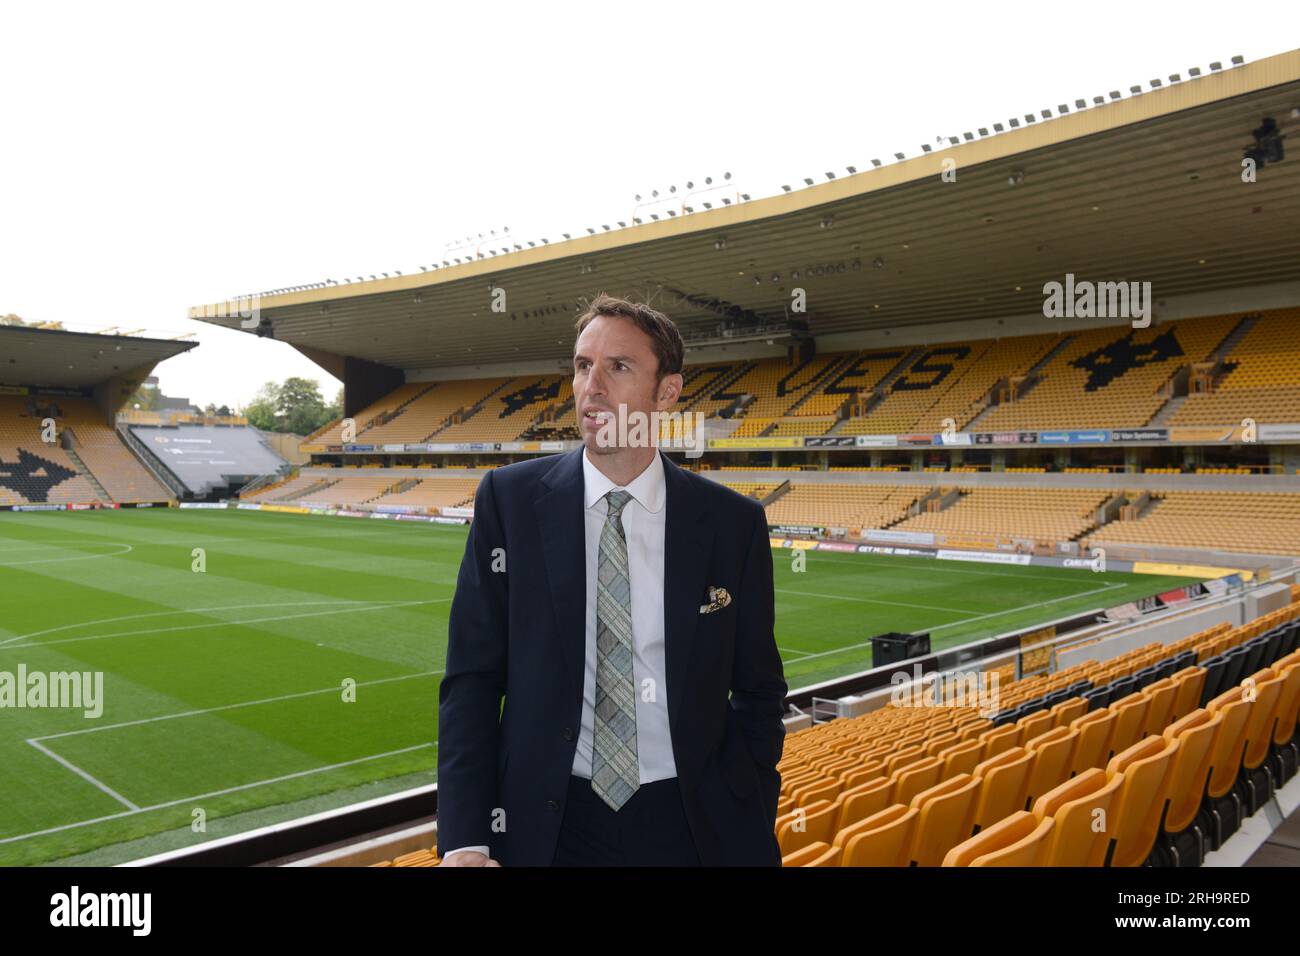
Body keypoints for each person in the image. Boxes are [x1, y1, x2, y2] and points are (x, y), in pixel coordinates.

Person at [436, 294, 787, 866]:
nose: (591, 386)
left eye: (617, 367)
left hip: (693, 826)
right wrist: (467, 839)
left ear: (667, 392)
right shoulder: (509, 502)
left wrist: (744, 797)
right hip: (550, 828)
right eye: (581, 365)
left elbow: (759, 688)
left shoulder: (732, 523)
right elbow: (472, 680)